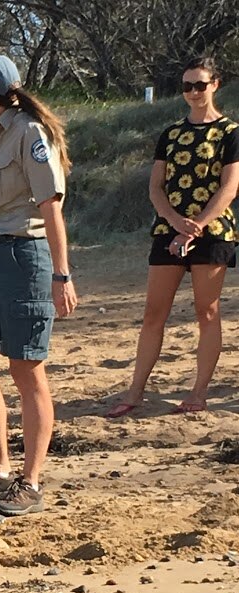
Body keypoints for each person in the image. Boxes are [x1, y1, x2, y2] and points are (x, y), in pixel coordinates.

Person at [0, 54, 77, 516]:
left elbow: (50, 209)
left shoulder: (30, 133)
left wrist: (61, 274)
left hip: (27, 259)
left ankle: (31, 481)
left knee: (26, 372)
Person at [106, 57, 239, 418]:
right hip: (168, 231)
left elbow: (229, 188)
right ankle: (135, 391)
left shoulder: (230, 132)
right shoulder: (172, 133)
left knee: (206, 311)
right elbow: (155, 187)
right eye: (187, 86)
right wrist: (175, 221)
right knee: (153, 313)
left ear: (215, 85)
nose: (193, 92)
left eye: (200, 85)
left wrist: (197, 224)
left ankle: (198, 393)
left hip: (212, 234)